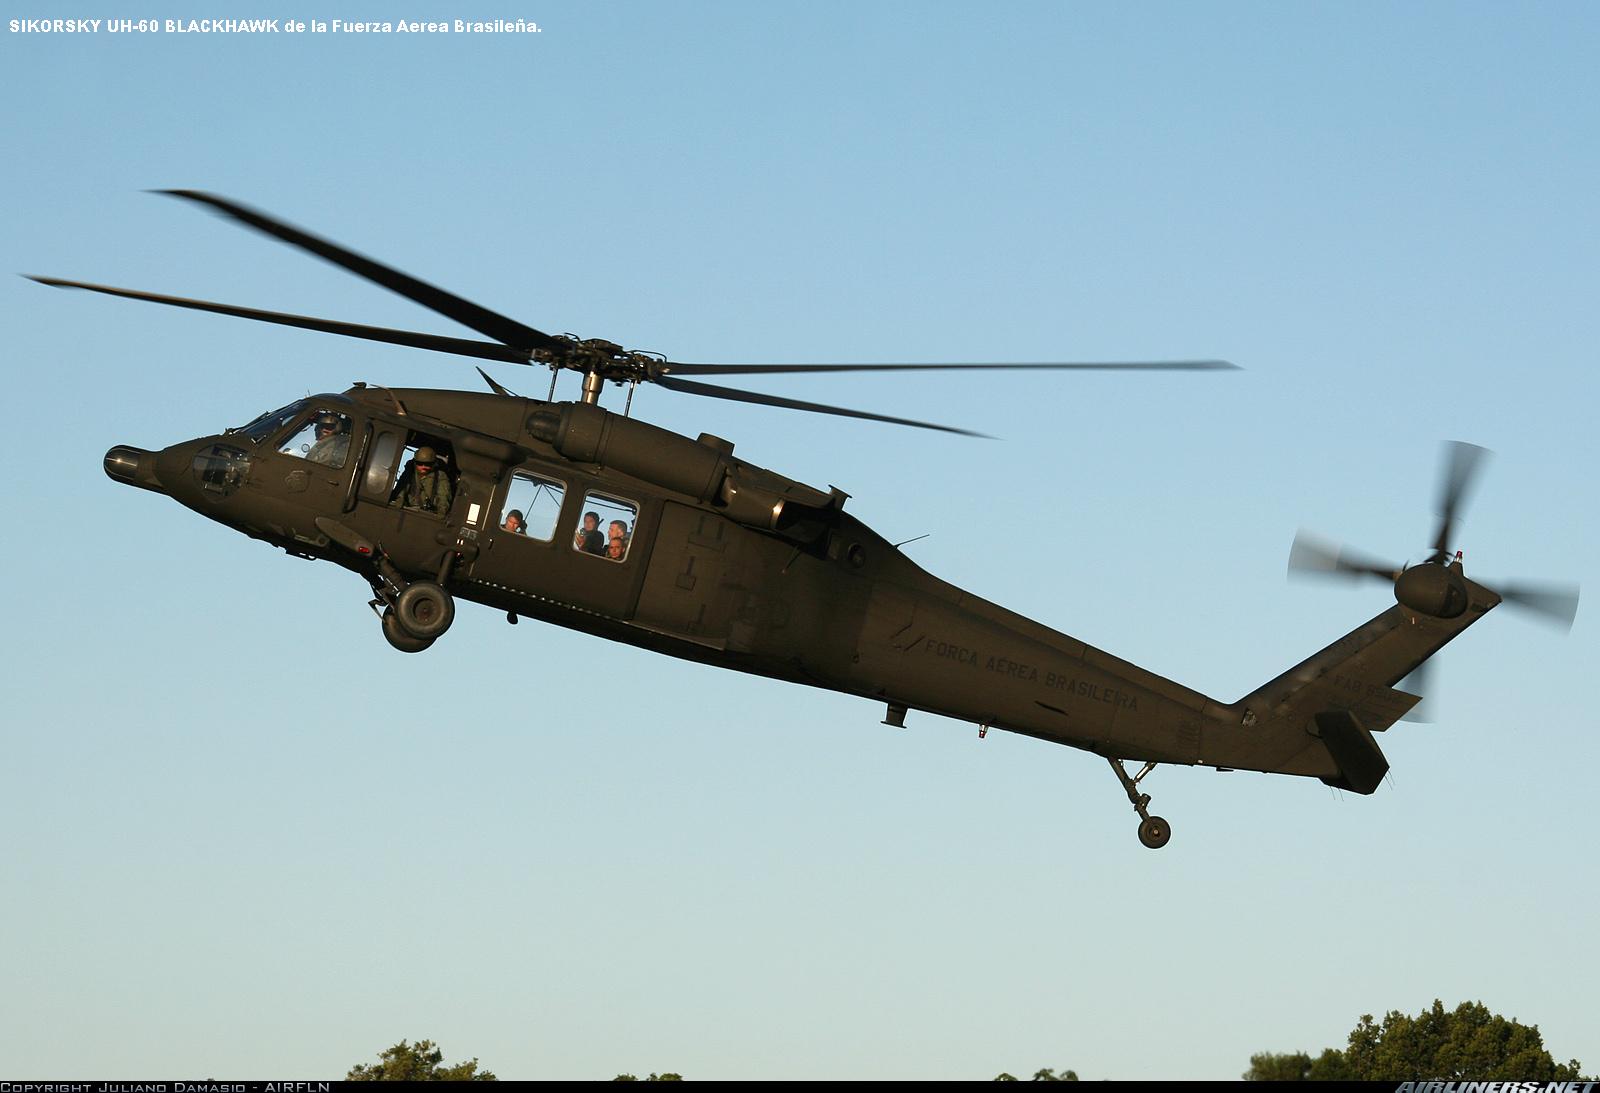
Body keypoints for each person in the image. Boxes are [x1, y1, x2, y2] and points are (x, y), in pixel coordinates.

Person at [391, 445, 453, 515]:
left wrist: (442, 510)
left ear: (434, 464)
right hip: (408, 509)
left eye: (427, 464)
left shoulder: (440, 476)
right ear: (415, 462)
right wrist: (399, 499)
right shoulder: (410, 472)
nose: (423, 467)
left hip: (428, 513)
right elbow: (402, 486)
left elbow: (443, 495)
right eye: (420, 463)